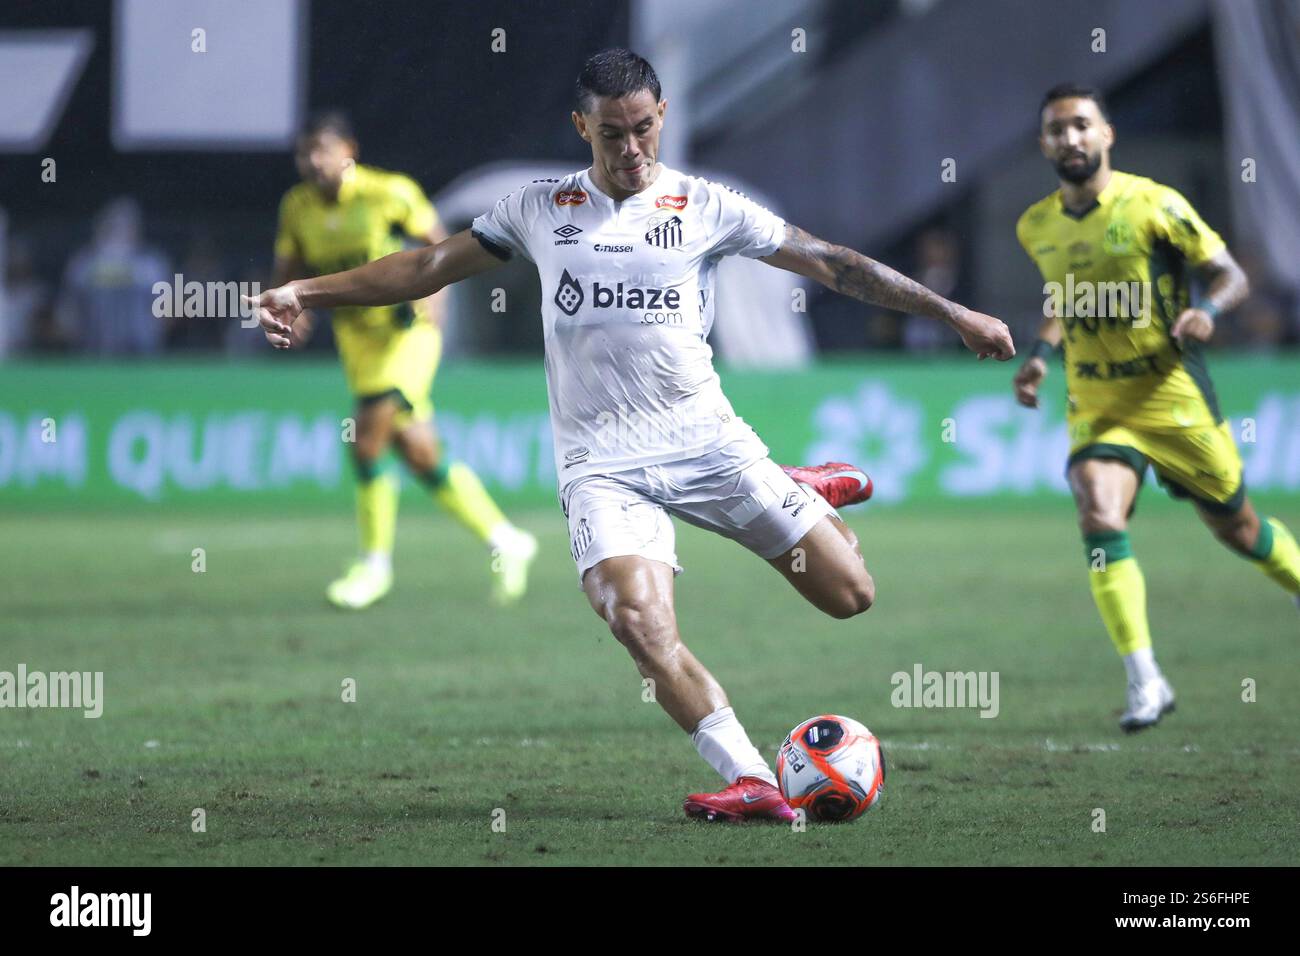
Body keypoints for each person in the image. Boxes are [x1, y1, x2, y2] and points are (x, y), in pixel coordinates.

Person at [249, 51, 1013, 820]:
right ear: (582, 127)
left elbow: (834, 265)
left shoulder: (706, 206)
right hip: (603, 465)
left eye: (644, 128)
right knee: (635, 619)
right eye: (612, 133)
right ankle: (749, 776)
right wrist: (303, 289)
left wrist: (956, 315)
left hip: (709, 445)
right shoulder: (538, 208)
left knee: (851, 595)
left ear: (662, 116)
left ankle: (794, 484)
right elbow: (423, 268)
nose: (632, 148)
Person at [1012, 83, 1300, 732]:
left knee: (1240, 530)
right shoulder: (1036, 224)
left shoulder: (1155, 205)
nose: (1071, 138)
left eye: (1082, 125)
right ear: (1044, 144)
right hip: (1096, 397)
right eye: (1057, 129)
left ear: (1106, 134)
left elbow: (1232, 274)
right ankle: (1146, 680)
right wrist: (1037, 354)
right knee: (1096, 509)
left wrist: (1209, 310)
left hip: (1171, 395)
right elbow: (1065, 296)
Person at [271, 112, 536, 609]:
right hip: (358, 342)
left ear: (347, 149)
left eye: (320, 151)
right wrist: (290, 305)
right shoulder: (297, 206)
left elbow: (440, 247)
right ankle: (506, 540)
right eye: (303, 153)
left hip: (407, 334)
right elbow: (289, 267)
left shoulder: (388, 192)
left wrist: (433, 301)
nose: (311, 162)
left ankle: (374, 565)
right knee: (418, 452)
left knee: (366, 442)